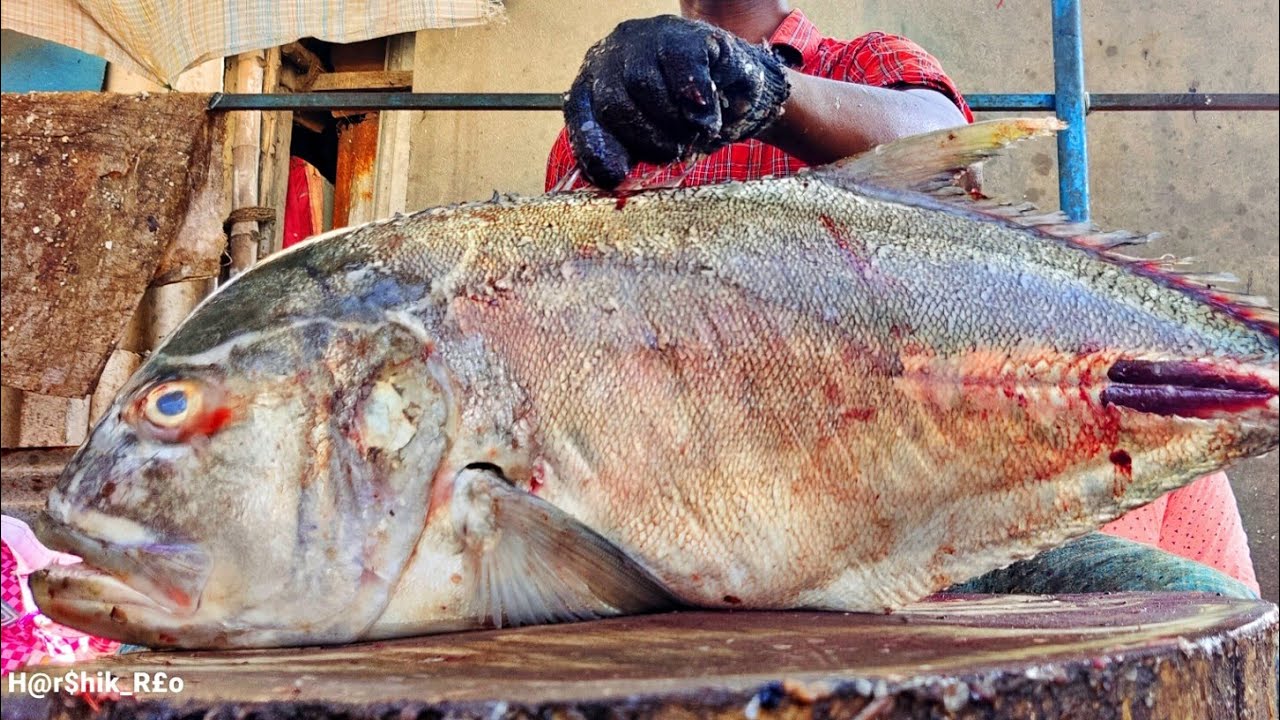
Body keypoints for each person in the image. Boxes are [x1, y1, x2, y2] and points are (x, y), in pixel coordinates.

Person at [546, 1, 1260, 597]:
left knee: (1210, 611)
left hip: (909, 514)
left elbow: (937, 140)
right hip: (681, 531)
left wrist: (762, 89)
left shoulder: (866, 64)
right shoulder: (611, 110)